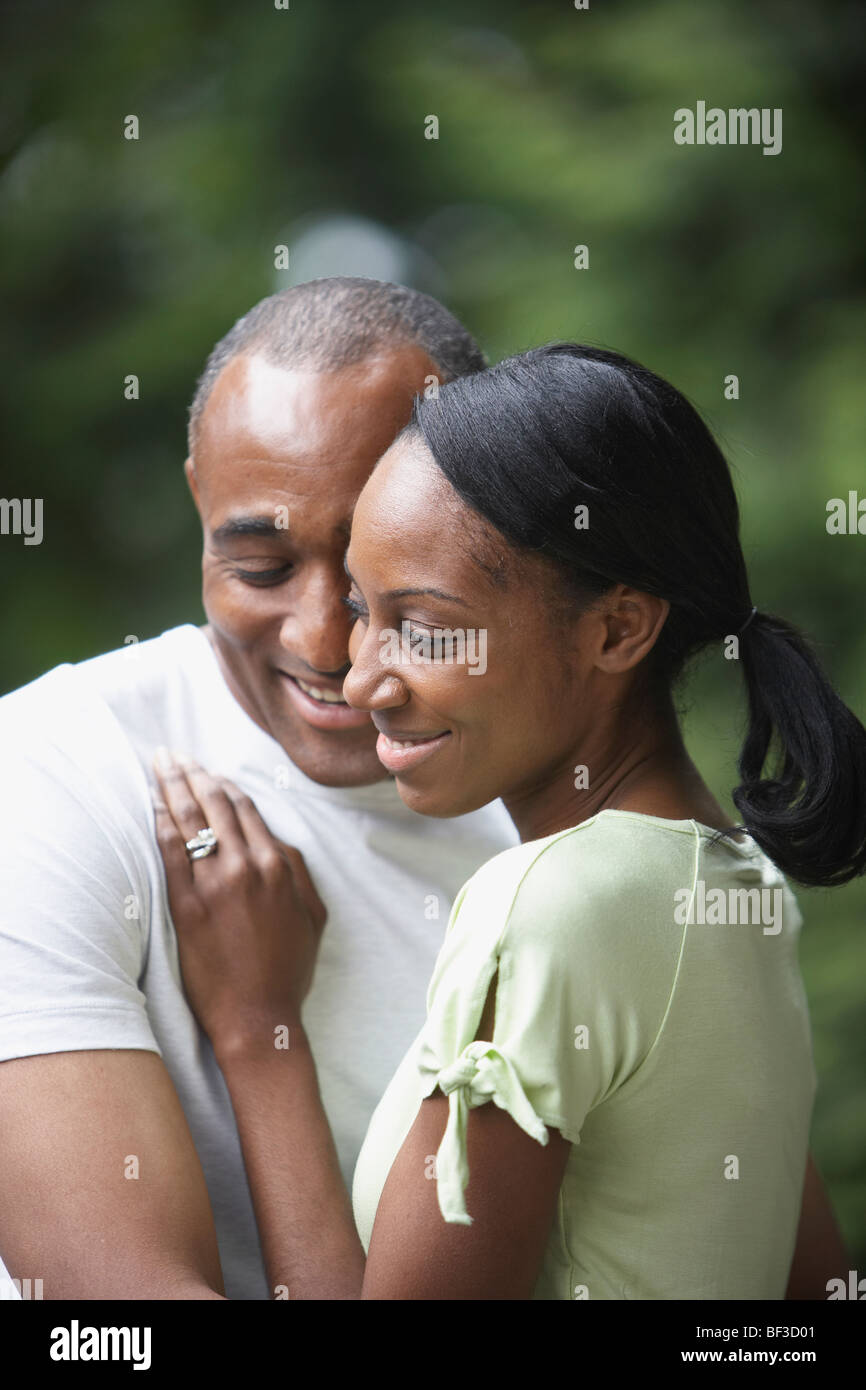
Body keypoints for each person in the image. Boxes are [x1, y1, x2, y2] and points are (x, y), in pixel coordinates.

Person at [151, 342, 861, 1299]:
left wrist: (256, 1032)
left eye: (428, 627)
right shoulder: (741, 883)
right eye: (367, 608)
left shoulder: (546, 906)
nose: (361, 677)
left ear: (617, 628)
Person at [0, 278, 517, 1301]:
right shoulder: (54, 771)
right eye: (261, 564)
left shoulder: (566, 811)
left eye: (381, 569)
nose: (328, 644)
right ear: (197, 493)